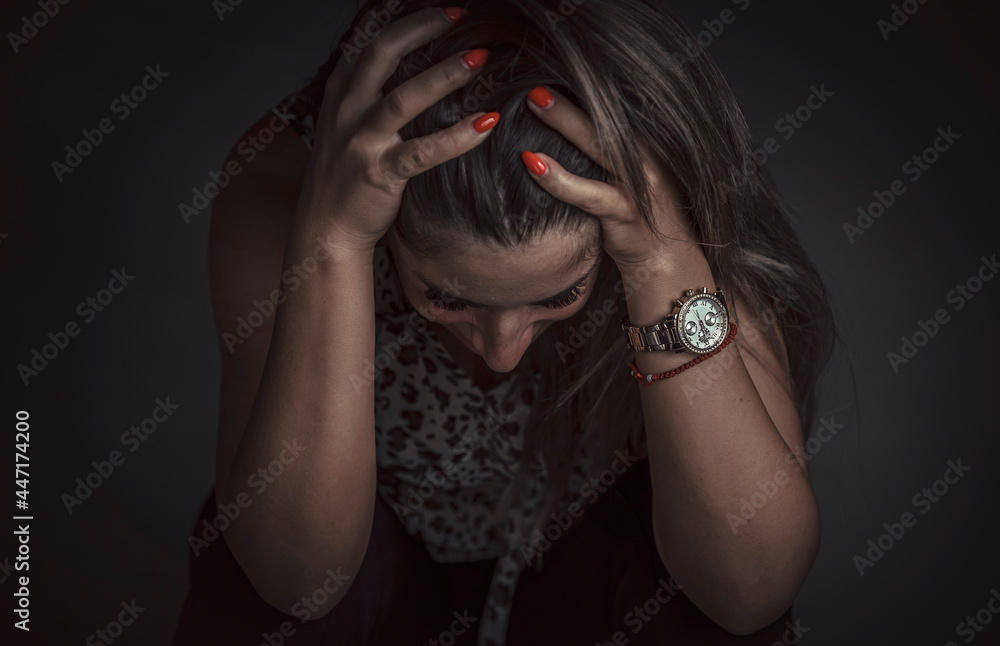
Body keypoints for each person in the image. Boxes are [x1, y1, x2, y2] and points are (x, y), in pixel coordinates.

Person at [172, 1, 836, 644]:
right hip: (377, 572)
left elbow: (751, 596)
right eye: (447, 298)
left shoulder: (669, 196)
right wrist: (335, 240)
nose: (502, 353)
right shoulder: (290, 188)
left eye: (560, 294)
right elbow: (295, 583)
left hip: (595, 574)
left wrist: (663, 264)